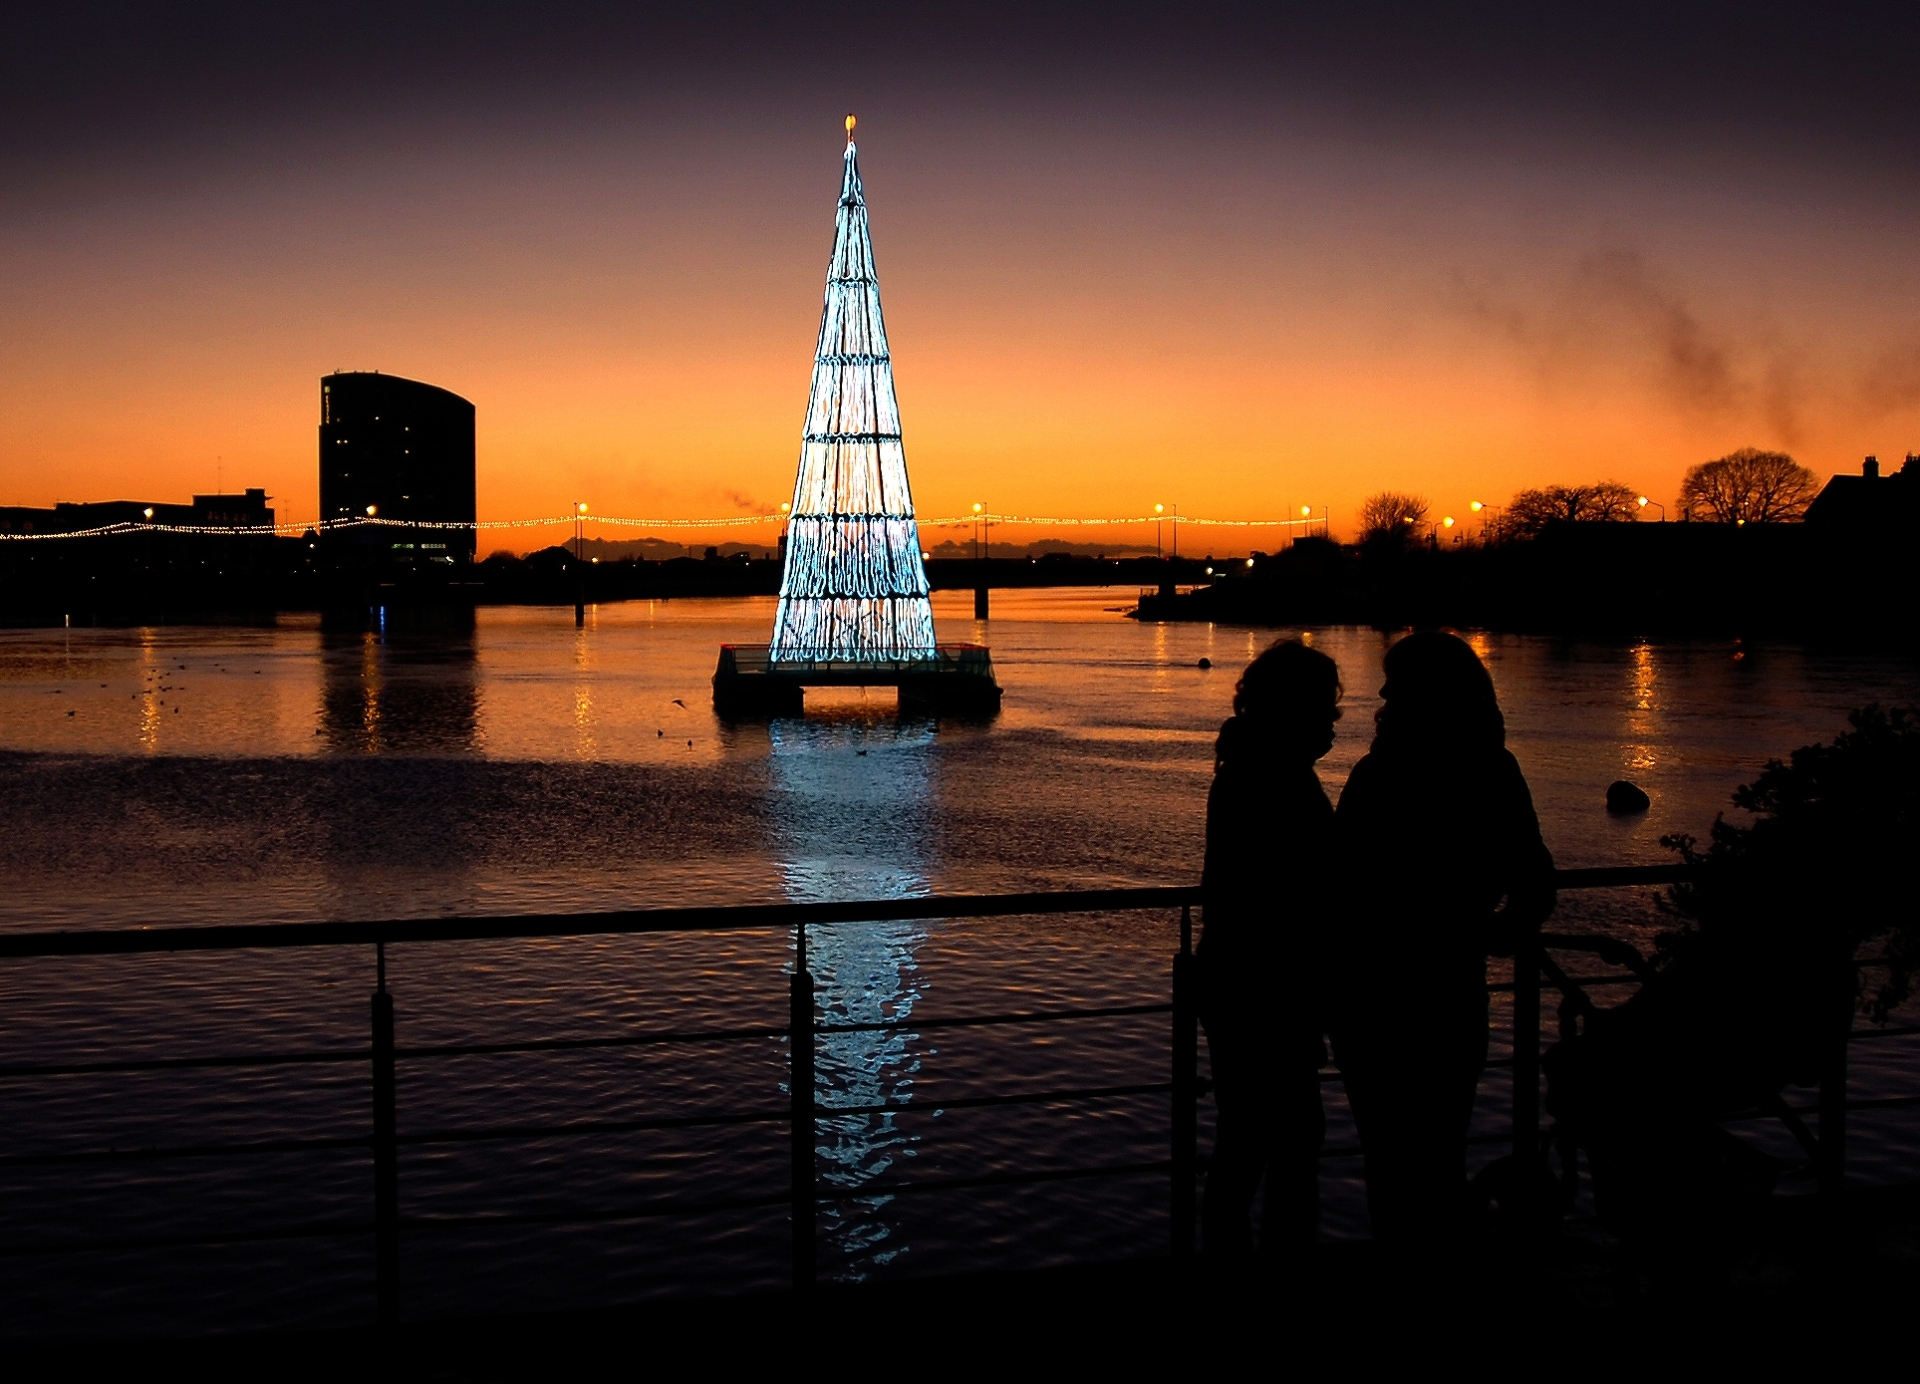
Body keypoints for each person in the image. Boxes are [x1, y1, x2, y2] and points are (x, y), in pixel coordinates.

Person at [1331, 631, 1554, 1249]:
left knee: (1389, 1158)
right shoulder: (1493, 768)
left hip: (1374, 992)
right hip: (1451, 987)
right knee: (1440, 1150)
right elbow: (1534, 879)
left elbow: (1340, 880)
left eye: (1394, 681)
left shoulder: (1380, 773)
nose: (1380, 692)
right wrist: (1494, 931)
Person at [1198, 638, 1343, 1261]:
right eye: (1325, 710)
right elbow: (1295, 883)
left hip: (1242, 978)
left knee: (1252, 1138)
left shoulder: (1252, 766)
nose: (1333, 723)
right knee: (1282, 1140)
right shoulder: (1274, 777)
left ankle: (1237, 1259)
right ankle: (1279, 1262)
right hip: (1266, 984)